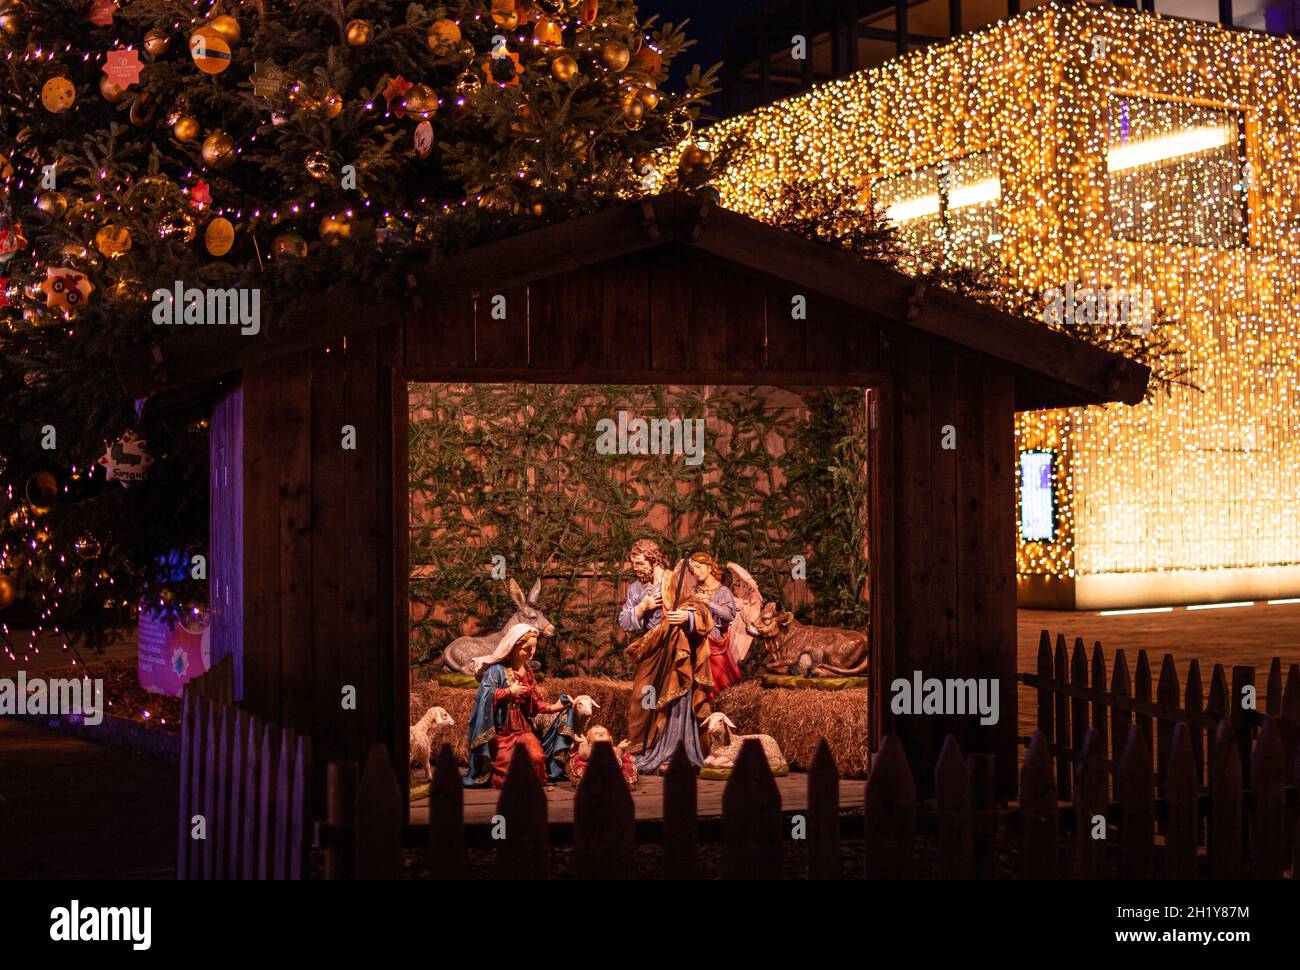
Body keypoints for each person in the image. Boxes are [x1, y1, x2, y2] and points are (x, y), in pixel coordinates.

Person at [619, 538, 714, 774]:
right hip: (651, 649)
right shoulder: (636, 589)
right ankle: (646, 748)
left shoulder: (674, 580)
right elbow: (624, 622)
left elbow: (699, 608)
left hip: (676, 648)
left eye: (640, 563)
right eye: (634, 564)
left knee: (675, 698)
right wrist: (642, 607)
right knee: (643, 698)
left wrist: (686, 617)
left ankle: (674, 751)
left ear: (653, 560)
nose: (636, 568)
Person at [463, 623, 569, 789]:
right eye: (527, 649)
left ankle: (530, 785)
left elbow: (535, 703)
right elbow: (484, 695)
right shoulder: (496, 670)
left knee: (536, 758)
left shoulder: (527, 672)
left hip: (523, 728)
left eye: (534, 648)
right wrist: (508, 692)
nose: (532, 653)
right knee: (508, 762)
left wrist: (557, 706)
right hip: (501, 731)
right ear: (513, 648)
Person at [686, 552, 742, 697]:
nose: (695, 572)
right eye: (693, 569)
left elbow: (729, 615)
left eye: (698, 567)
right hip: (697, 641)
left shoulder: (723, 591)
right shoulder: (694, 591)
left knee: (717, 680)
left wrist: (709, 602)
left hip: (715, 642)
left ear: (710, 567)